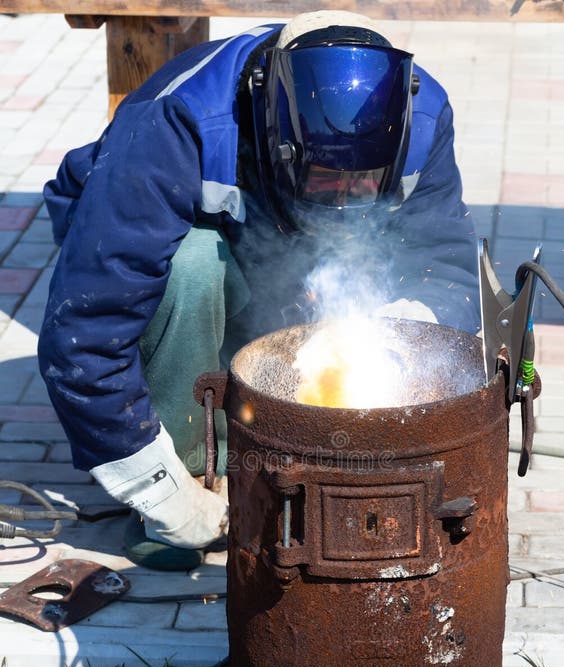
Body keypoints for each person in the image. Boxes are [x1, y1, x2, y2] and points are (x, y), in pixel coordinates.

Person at [38, 10, 481, 571]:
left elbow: (443, 266)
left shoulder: (422, 116)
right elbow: (87, 331)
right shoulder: (179, 120)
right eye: (323, 180)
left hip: (269, 228)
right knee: (193, 267)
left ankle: (257, 431)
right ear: (276, 134)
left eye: (362, 183)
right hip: (121, 232)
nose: (342, 196)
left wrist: (389, 336)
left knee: (361, 280)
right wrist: (152, 485)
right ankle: (192, 467)